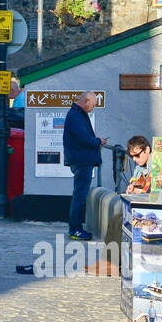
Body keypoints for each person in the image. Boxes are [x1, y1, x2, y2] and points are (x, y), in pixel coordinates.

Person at [62, 91, 106, 241]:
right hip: (81, 161)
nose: (93, 108)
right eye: (93, 105)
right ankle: (75, 229)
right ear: (86, 101)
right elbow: (84, 139)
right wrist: (98, 141)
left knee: (79, 195)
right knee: (80, 196)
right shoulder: (76, 115)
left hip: (80, 159)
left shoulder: (76, 114)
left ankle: (76, 228)